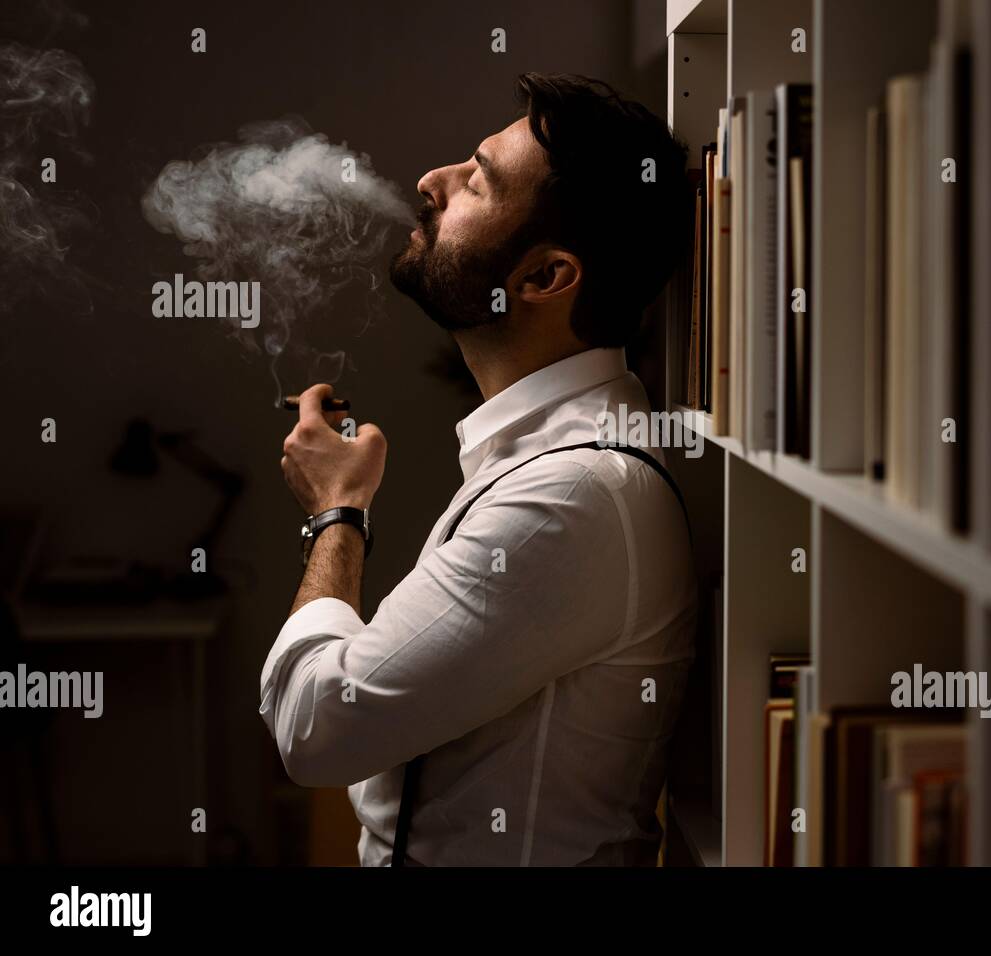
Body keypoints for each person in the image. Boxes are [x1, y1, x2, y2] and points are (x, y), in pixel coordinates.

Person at [258, 73, 697, 866]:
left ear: (543, 279)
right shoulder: (551, 459)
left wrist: (337, 510)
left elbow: (314, 729)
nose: (433, 181)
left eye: (477, 179)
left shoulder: (572, 493)